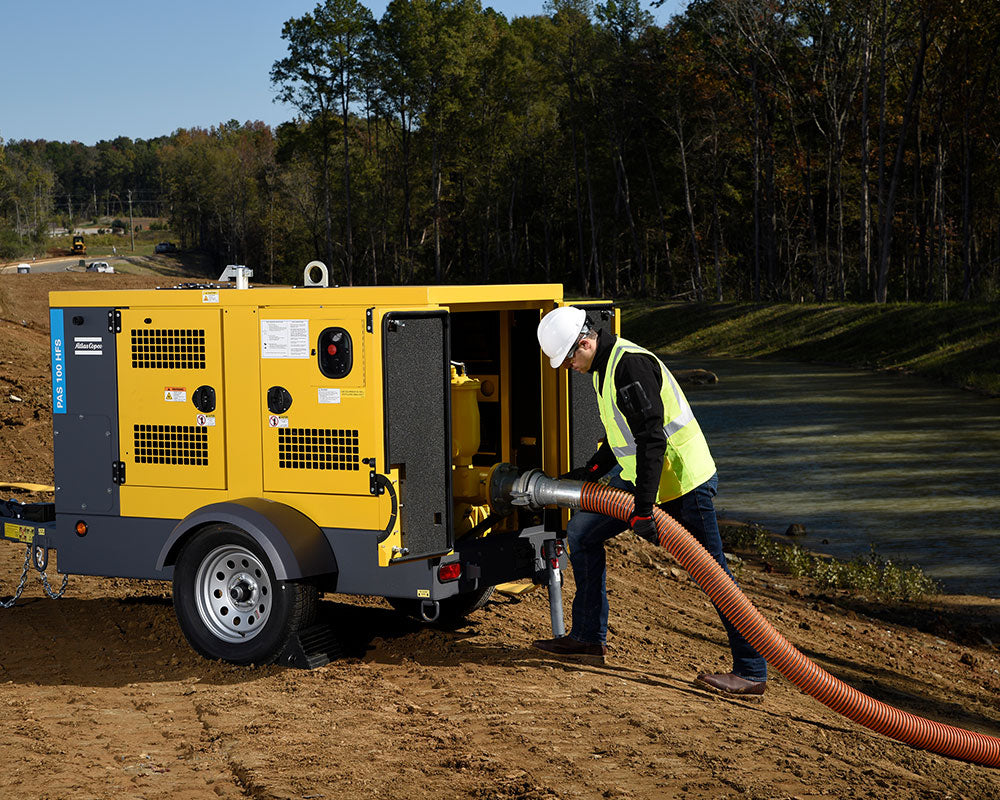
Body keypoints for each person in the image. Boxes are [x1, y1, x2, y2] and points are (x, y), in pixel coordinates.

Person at [532, 306, 768, 696]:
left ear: (586, 342)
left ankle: (751, 670)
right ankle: (589, 638)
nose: (568, 366)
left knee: (715, 575)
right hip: (646, 482)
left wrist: (642, 510)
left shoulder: (629, 367)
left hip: (683, 485)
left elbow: (652, 439)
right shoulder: (603, 368)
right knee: (583, 532)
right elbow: (620, 435)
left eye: (569, 358)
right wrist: (591, 472)